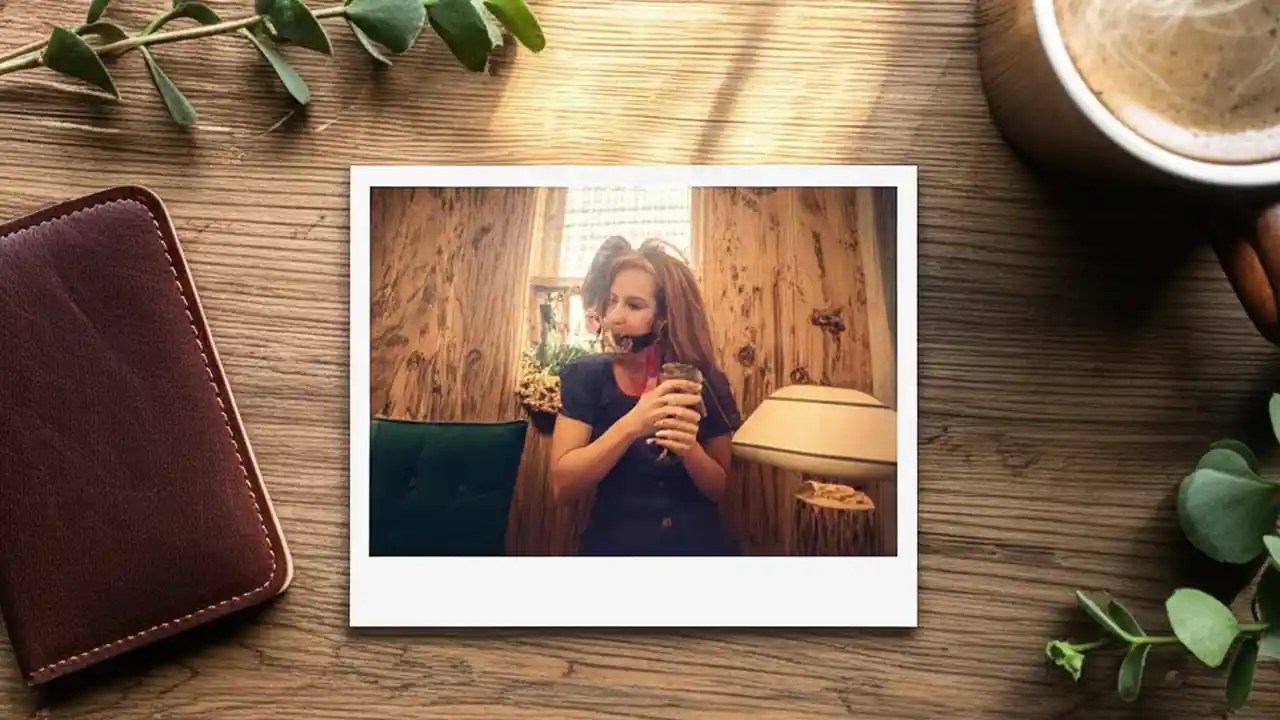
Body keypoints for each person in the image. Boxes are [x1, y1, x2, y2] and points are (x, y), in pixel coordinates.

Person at [549, 237, 743, 556]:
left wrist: (689, 449)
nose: (613, 316)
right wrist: (633, 424)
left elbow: (719, 490)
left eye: (634, 305)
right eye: (613, 301)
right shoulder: (586, 377)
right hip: (615, 548)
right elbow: (562, 487)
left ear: (667, 318)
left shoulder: (706, 382)